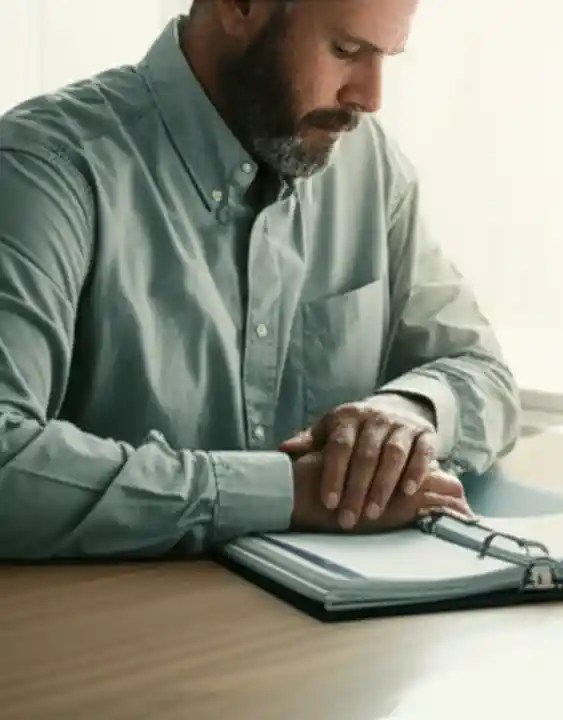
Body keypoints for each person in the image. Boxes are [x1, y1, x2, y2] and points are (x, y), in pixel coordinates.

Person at [0, 0, 520, 559]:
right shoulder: (46, 169)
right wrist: (283, 492)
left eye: (387, 57)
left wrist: (404, 416)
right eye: (345, 50)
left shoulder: (371, 170)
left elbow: (483, 372)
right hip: (111, 638)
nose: (370, 98)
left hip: (331, 637)